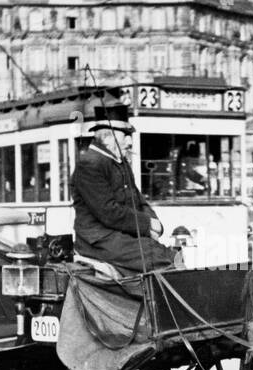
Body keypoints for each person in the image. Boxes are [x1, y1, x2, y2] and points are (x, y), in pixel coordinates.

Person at [72, 113, 179, 272]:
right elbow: (108, 212)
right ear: (107, 138)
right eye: (126, 136)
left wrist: (155, 223)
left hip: (120, 236)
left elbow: (138, 200)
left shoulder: (119, 162)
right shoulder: (89, 164)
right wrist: (148, 224)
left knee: (170, 255)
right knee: (158, 257)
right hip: (98, 240)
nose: (130, 142)